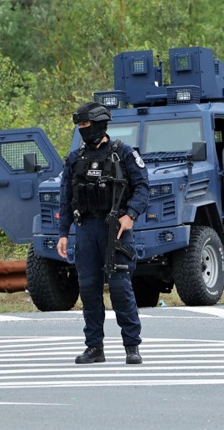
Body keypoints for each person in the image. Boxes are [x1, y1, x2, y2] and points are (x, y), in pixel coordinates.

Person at [57, 101, 149, 365]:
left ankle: (132, 346)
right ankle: (94, 347)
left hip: (115, 229)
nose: (82, 129)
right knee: (88, 289)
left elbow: (143, 187)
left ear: (99, 124)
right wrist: (63, 233)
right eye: (80, 125)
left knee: (120, 288)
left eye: (86, 124)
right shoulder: (75, 159)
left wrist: (130, 215)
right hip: (85, 230)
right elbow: (65, 198)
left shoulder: (123, 153)